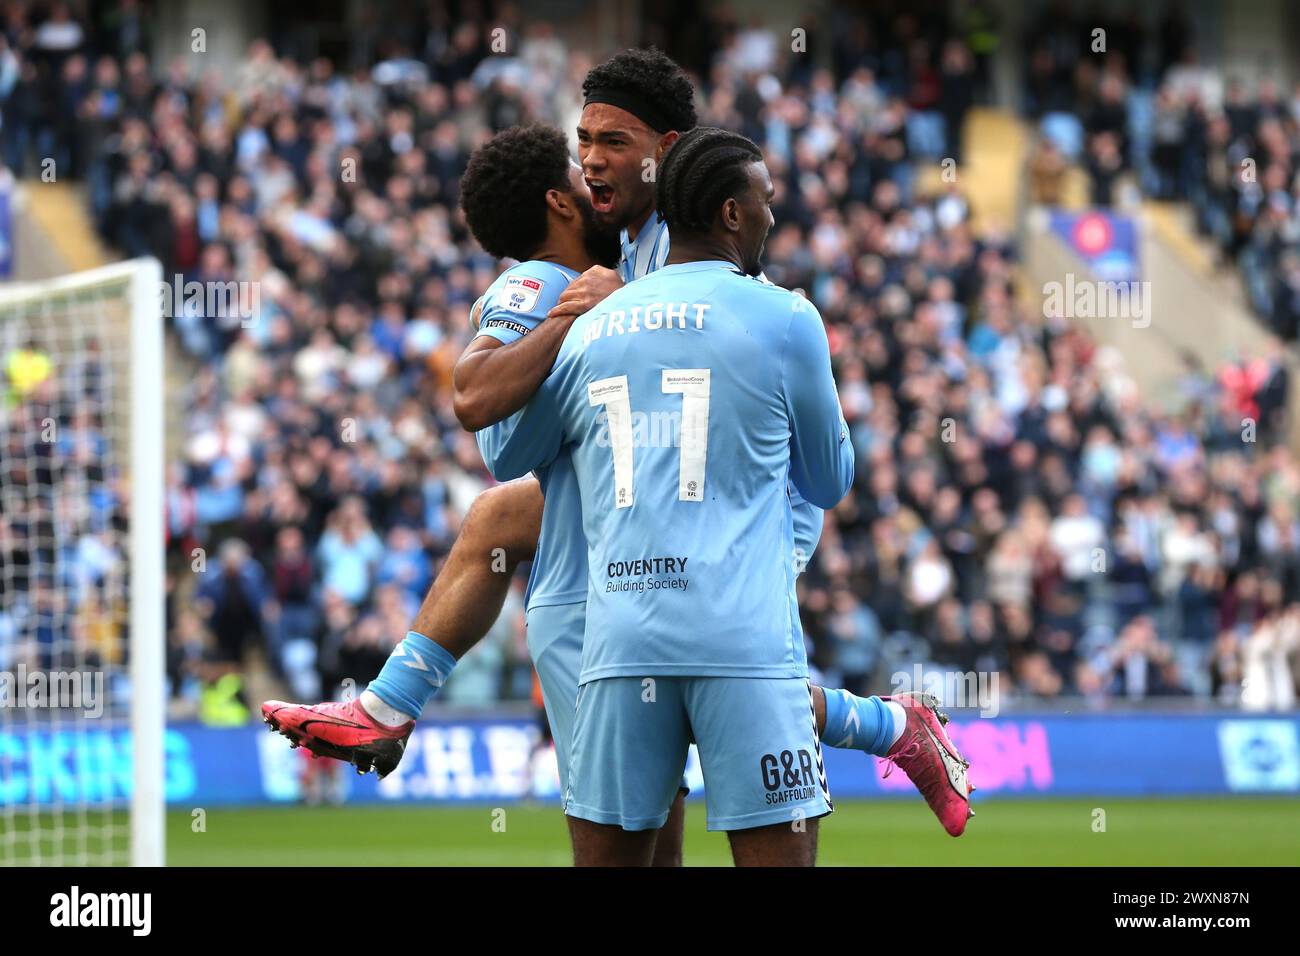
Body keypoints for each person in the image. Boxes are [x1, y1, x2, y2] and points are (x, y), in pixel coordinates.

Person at [264, 50, 973, 852]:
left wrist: (597, 311)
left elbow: (714, 335)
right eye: (583, 141)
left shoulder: (686, 239)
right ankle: (893, 727)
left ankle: (387, 709)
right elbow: (500, 428)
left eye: (609, 141)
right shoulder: (619, 256)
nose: (592, 161)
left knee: (537, 545)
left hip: (731, 499)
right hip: (643, 529)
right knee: (532, 540)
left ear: (664, 152)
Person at [478, 127, 969, 865]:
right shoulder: (784, 316)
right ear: (734, 215)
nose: (773, 214)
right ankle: (887, 726)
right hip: (744, 636)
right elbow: (830, 481)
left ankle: (887, 726)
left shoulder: (587, 324)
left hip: (621, 642)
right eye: (766, 200)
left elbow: (508, 452)